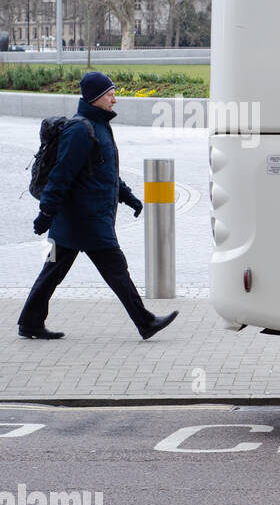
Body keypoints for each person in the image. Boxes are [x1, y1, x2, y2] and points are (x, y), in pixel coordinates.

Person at [17, 72, 179, 341]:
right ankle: (146, 321)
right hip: (86, 220)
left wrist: (128, 197)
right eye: (110, 94)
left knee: (52, 271)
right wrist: (46, 213)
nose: (115, 99)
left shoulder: (99, 126)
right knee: (117, 270)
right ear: (95, 98)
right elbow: (62, 174)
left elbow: (105, 173)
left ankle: (30, 321)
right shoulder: (80, 130)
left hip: (80, 222)